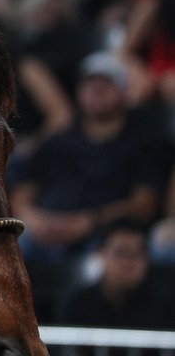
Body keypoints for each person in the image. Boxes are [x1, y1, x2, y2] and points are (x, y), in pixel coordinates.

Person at [11, 51, 171, 261]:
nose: (97, 90)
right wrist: (33, 219)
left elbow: (144, 205)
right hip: (45, 230)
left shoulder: (144, 143)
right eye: (90, 83)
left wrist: (88, 222)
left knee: (116, 254)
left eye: (106, 83)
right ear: (78, 92)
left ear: (123, 91)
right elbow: (22, 191)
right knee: (10, 251)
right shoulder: (57, 141)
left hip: (104, 233)